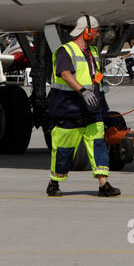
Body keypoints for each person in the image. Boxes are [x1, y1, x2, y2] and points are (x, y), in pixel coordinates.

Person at [47, 15, 120, 197]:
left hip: (91, 110)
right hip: (69, 110)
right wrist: (82, 91)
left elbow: (93, 78)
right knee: (64, 151)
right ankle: (54, 183)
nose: (97, 35)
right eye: (95, 31)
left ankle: (104, 184)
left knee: (98, 146)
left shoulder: (92, 52)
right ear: (85, 31)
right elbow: (65, 74)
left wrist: (101, 102)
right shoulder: (66, 51)